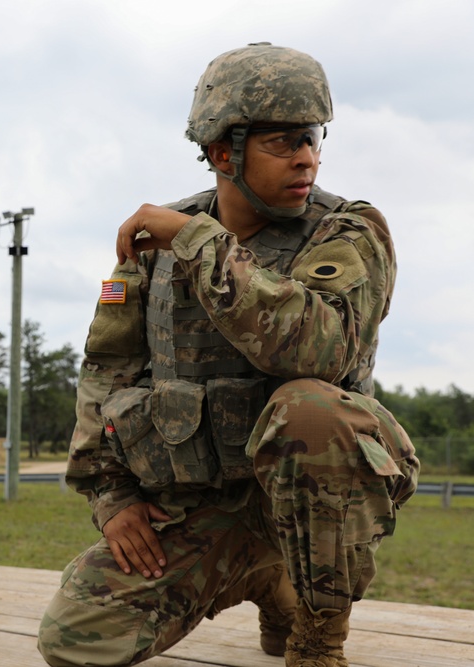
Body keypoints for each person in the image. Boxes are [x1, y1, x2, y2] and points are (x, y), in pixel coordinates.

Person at [37, 43, 419, 667]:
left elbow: (317, 347)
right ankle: (266, 579)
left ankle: (318, 635)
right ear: (223, 153)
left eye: (313, 139)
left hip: (306, 507)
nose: (307, 159)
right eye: (284, 143)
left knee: (310, 410)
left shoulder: (349, 231)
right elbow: (106, 370)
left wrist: (198, 242)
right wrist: (111, 497)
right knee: (75, 642)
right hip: (200, 504)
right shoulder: (154, 246)